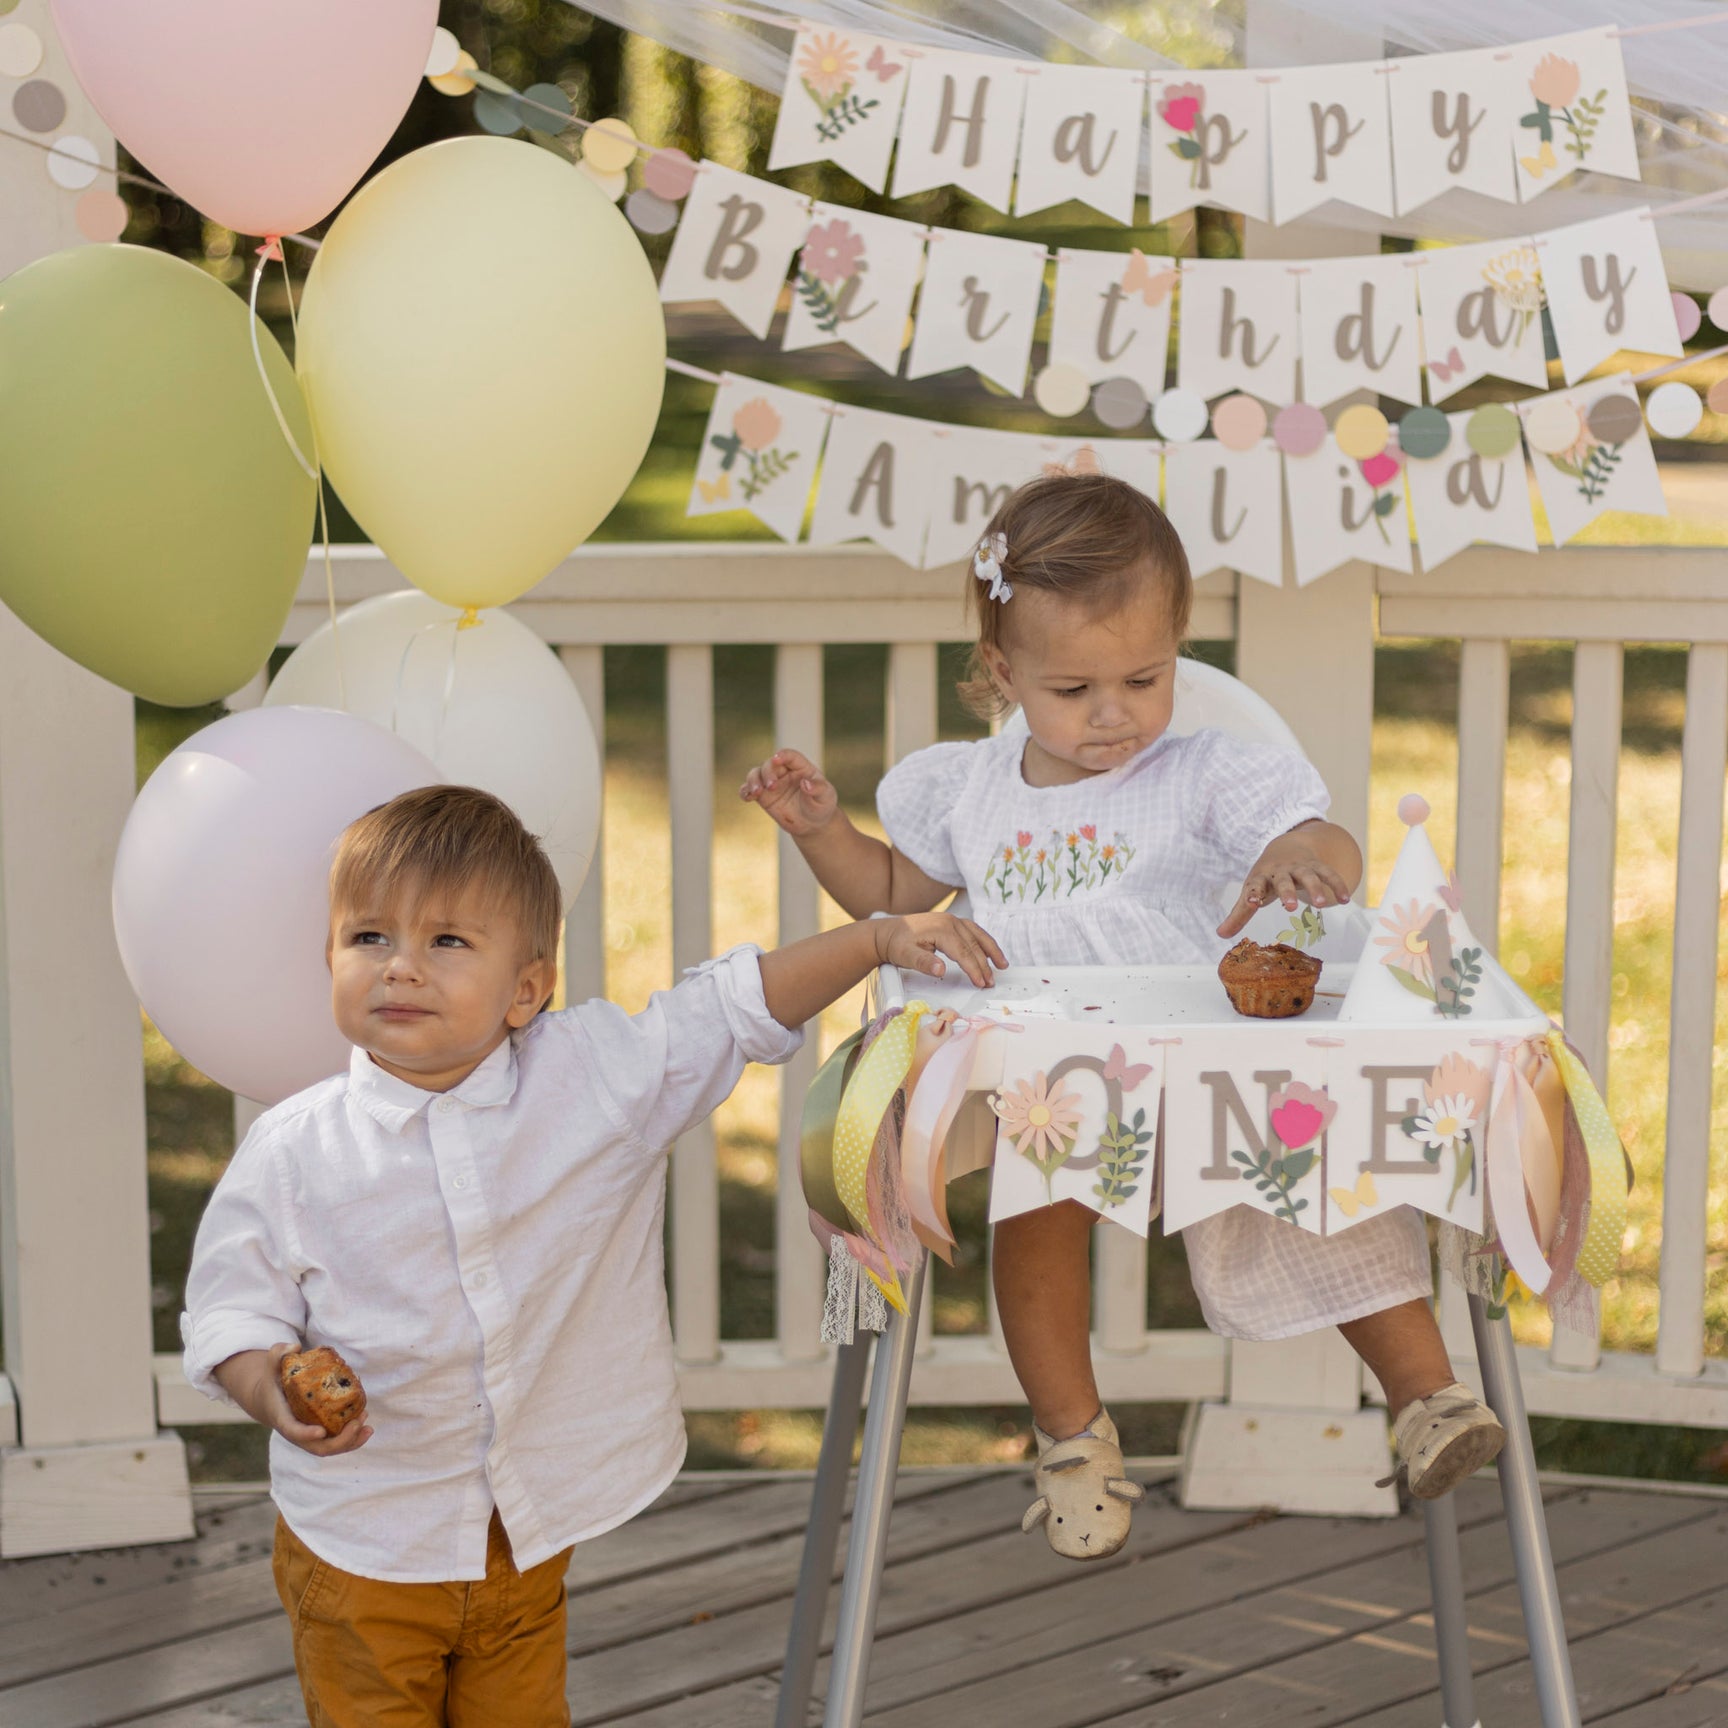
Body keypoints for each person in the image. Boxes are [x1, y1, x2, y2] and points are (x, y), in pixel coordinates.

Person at [742, 471, 1504, 1560]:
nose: (1114, 715)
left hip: (1210, 1071)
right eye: (1075, 689)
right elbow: (894, 895)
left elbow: (1324, 836)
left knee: (1321, 1182)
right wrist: (822, 830)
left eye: (1145, 678)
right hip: (1055, 1078)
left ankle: (1427, 1397)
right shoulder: (969, 788)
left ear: (1179, 651)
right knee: (1034, 1222)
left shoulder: (1202, 774)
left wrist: (1304, 859)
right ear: (1004, 675)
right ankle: (1073, 1442)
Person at [181, 783, 1004, 1726]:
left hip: (527, 1535)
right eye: (370, 938)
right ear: (328, 960)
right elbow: (233, 1311)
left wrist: (874, 939)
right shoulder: (295, 1150)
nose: (401, 968)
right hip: (363, 1548)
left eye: (446, 941)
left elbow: (730, 1007)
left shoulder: (592, 1080)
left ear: (527, 987)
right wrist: (270, 1384)